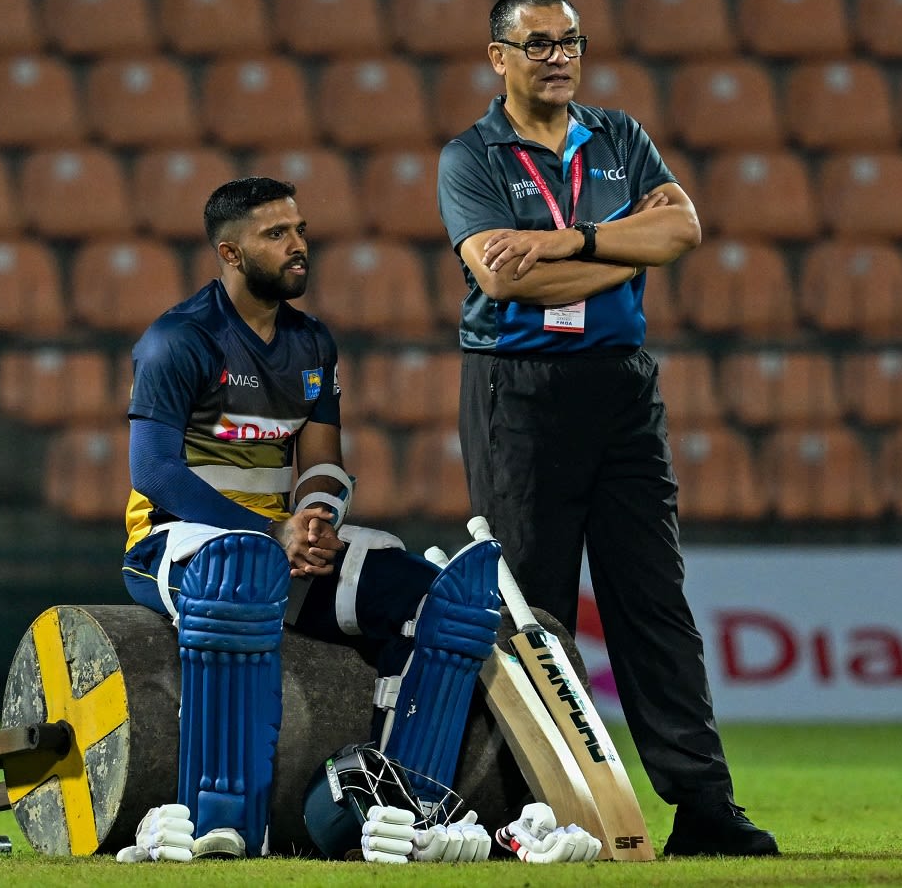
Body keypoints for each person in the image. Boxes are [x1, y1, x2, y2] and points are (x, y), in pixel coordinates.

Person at [115, 176, 593, 864]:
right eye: (276, 234)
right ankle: (223, 825)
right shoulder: (179, 340)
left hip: (278, 548)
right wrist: (271, 533)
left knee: (442, 598)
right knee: (238, 570)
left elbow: (324, 462)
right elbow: (155, 472)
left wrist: (313, 515)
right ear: (229, 251)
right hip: (172, 544)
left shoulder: (311, 344)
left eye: (300, 229)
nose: (299, 245)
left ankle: (400, 816)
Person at [435, 0, 780, 858]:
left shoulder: (619, 135)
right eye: (539, 43)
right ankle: (522, 810)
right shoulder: (471, 158)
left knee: (652, 599)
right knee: (530, 612)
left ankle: (703, 805)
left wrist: (566, 242)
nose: (559, 57)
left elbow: (685, 229)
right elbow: (505, 282)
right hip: (518, 391)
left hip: (623, 391)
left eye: (572, 42)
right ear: (498, 59)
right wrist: (621, 249)